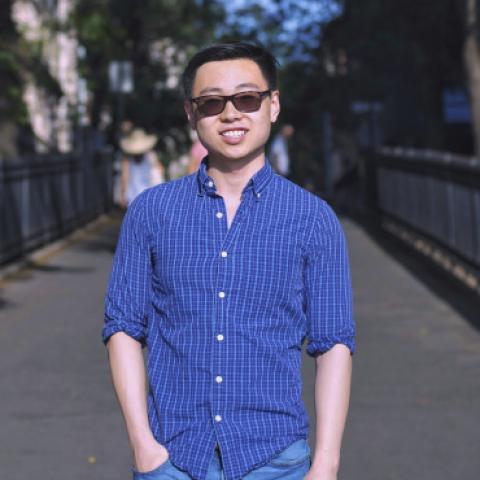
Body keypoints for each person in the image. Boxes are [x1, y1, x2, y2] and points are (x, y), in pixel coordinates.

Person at [103, 42, 355, 480]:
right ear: (191, 112)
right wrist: (143, 445)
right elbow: (123, 326)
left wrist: (326, 465)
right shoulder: (151, 212)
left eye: (247, 98)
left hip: (276, 459)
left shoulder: (313, 218)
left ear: (272, 105)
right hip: (172, 458)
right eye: (212, 103)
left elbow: (332, 343)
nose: (231, 114)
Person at [119, 128, 165, 207]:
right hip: (149, 195)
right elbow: (161, 171)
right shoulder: (150, 157)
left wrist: (122, 195)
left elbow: (124, 179)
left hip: (133, 196)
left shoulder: (127, 160)